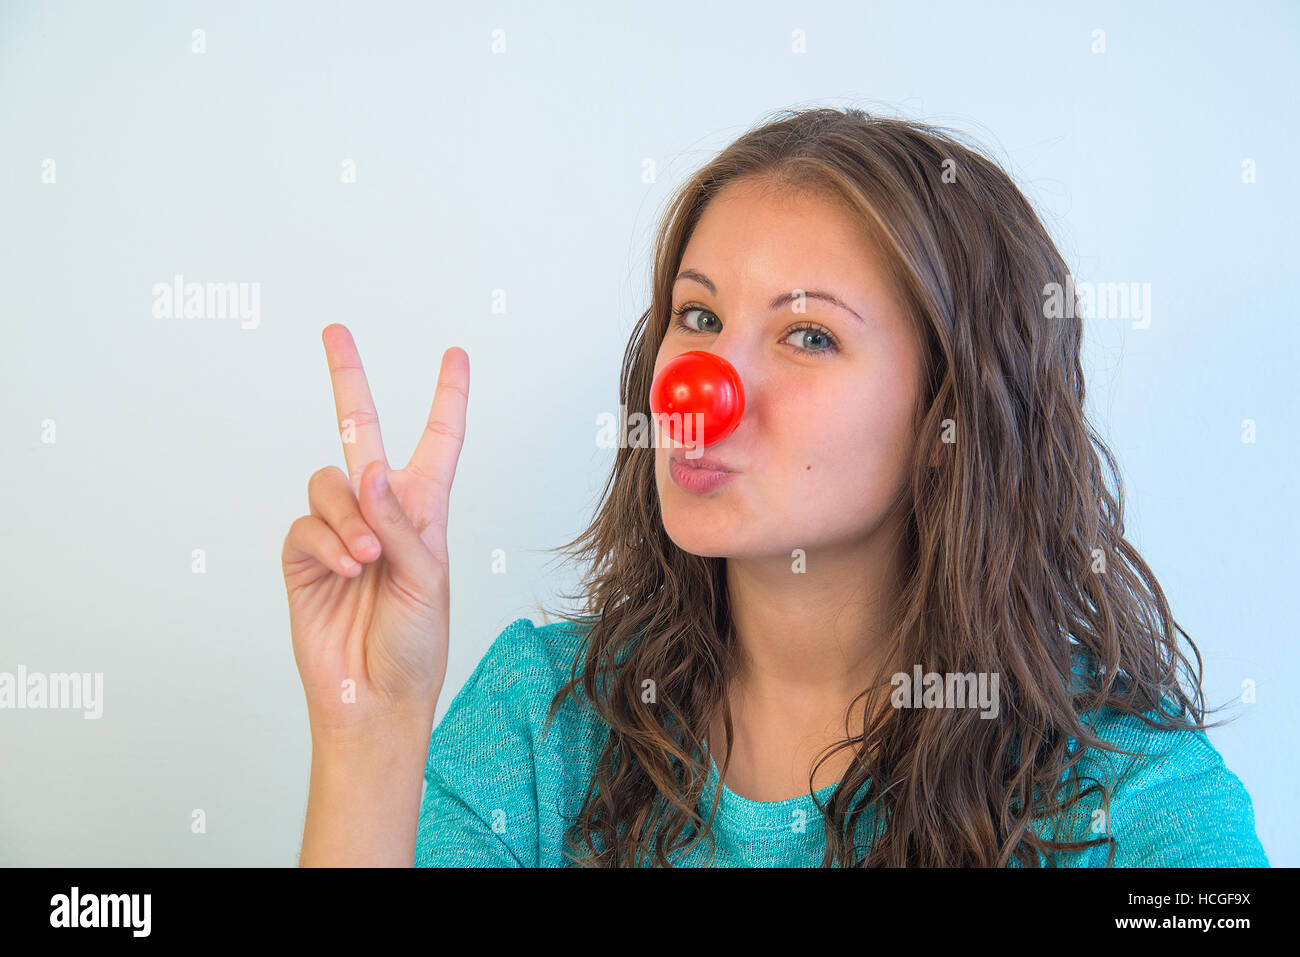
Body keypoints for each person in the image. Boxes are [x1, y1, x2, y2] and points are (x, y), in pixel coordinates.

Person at [284, 106, 1268, 867]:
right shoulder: (540, 722)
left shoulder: (1129, 800)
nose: (703, 391)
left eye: (808, 334)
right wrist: (369, 729)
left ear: (944, 421)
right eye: (699, 318)